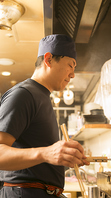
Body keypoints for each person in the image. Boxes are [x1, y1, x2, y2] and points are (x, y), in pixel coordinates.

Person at [0, 34, 89, 198]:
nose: (73, 74)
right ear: (48, 59)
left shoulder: (42, 97)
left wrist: (66, 157)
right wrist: (46, 153)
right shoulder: (24, 95)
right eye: (70, 65)